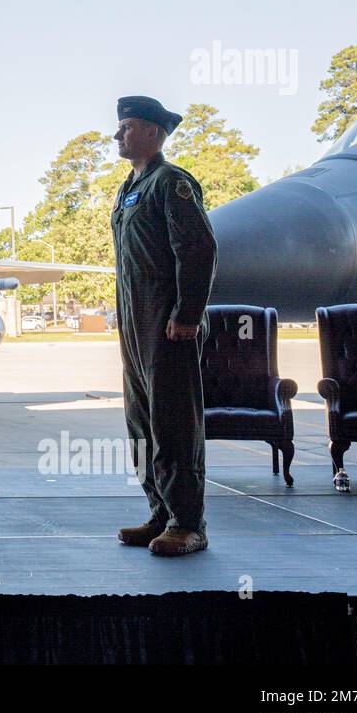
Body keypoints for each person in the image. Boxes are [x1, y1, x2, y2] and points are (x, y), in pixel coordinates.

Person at [111, 96, 218, 557]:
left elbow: (198, 249)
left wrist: (187, 314)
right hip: (135, 324)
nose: (118, 135)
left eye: (127, 127)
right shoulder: (130, 187)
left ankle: (188, 522)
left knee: (174, 423)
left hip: (167, 324)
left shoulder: (171, 183)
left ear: (153, 132)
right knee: (141, 423)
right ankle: (160, 511)